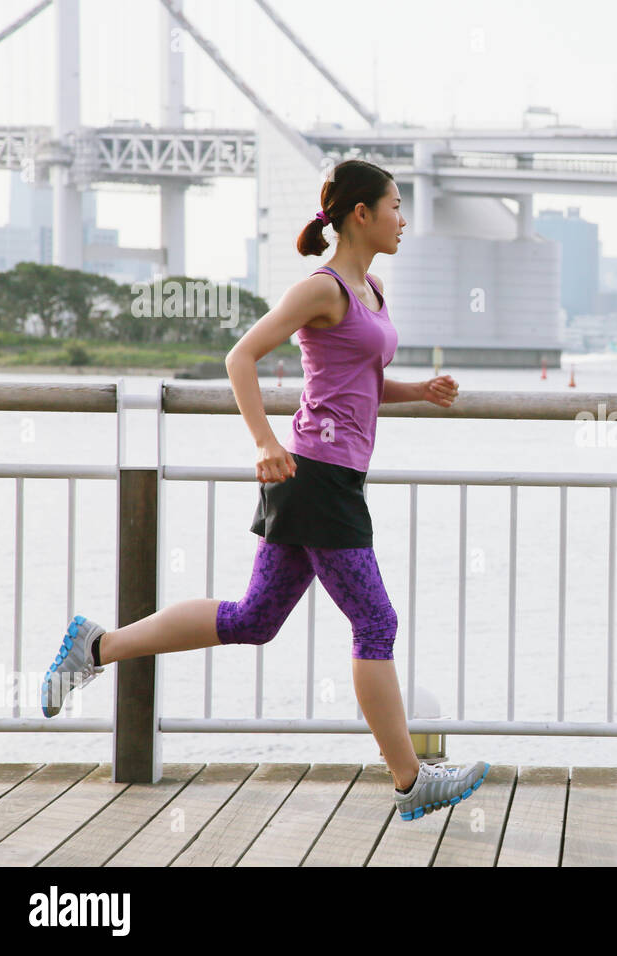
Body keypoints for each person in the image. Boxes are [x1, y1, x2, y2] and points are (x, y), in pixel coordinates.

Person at [41, 159, 488, 822]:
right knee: (376, 622)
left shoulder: (374, 289)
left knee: (254, 619)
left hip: (334, 479)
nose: (403, 219)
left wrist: (417, 390)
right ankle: (409, 780)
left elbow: (355, 381)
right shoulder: (323, 288)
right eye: (396, 206)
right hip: (313, 479)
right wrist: (264, 441)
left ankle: (95, 646)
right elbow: (240, 356)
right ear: (360, 214)